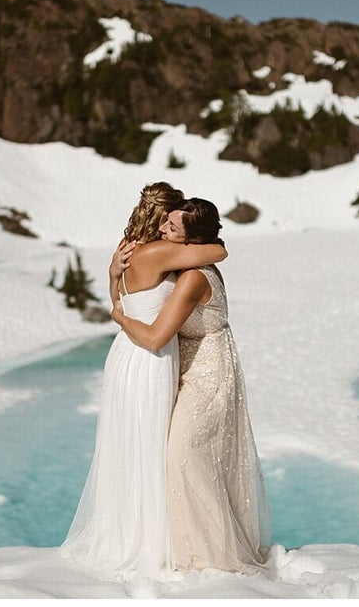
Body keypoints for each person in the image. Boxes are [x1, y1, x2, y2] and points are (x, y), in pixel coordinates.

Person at [61, 183, 228, 579]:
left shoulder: (129, 246)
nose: (171, 227)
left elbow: (120, 293)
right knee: (150, 448)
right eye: (170, 219)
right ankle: (151, 542)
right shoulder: (161, 251)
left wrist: (113, 288)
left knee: (129, 446)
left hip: (126, 352)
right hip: (150, 356)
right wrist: (119, 314)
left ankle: (127, 534)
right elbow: (219, 250)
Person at [111, 198, 270, 574]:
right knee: (193, 459)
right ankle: (195, 547)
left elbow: (153, 337)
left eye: (172, 227)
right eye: (165, 221)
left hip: (208, 373)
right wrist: (114, 274)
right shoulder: (189, 265)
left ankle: (211, 557)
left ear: (191, 240)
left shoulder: (194, 278)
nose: (163, 229)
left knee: (184, 456)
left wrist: (118, 316)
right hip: (195, 365)